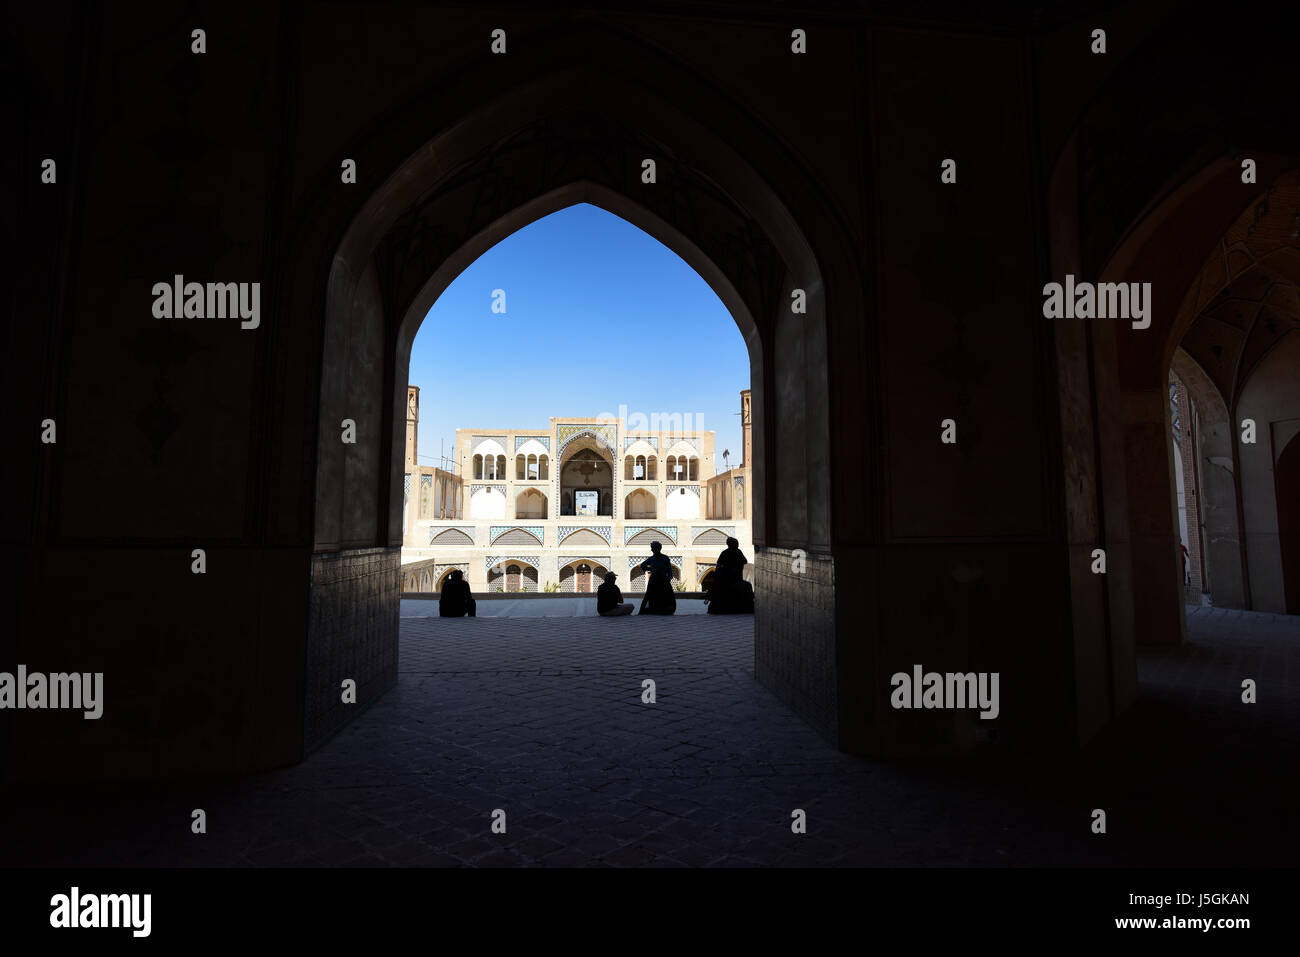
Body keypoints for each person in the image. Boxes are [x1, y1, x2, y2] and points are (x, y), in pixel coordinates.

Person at [707, 537, 754, 614]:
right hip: (733, 579)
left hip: (728, 579)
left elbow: (719, 565)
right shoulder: (737, 552)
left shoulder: (725, 553)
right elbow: (744, 561)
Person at [637, 541, 677, 615]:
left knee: (664, 595)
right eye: (652, 548)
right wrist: (651, 568)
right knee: (650, 595)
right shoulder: (652, 559)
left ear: (658, 549)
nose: (652, 550)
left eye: (653, 548)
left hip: (663, 580)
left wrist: (669, 578)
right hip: (655, 579)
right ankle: (649, 610)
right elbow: (643, 565)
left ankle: (663, 610)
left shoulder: (665, 558)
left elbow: (669, 569)